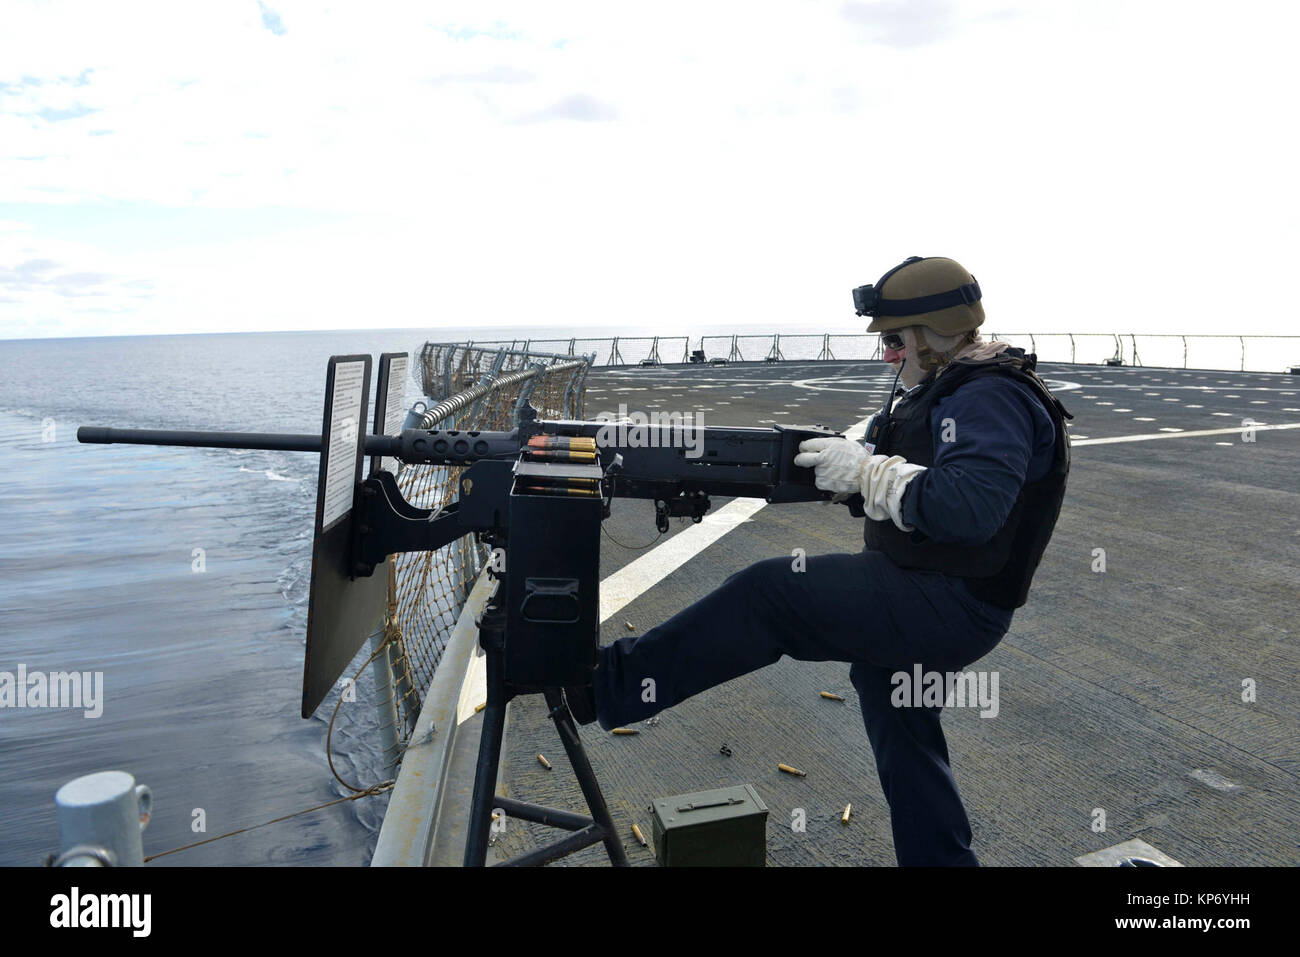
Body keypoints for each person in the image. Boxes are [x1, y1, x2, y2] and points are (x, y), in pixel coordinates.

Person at [569, 256, 1072, 865]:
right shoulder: (952, 386)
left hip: (951, 603)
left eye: (893, 339)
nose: (887, 354)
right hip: (936, 592)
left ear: (934, 329)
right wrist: (851, 473)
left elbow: (970, 509)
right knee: (898, 712)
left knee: (770, 595)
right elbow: (922, 484)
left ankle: (604, 685)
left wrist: (866, 473)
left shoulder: (989, 395)